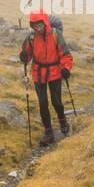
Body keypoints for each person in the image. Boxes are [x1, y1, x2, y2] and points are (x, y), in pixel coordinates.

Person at [19, 10, 73, 145]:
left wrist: (66, 68)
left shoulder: (55, 34)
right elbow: (27, 53)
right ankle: (48, 132)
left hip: (55, 71)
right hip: (38, 73)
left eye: (40, 25)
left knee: (56, 101)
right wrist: (24, 56)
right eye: (35, 25)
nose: (38, 28)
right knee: (43, 103)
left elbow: (65, 54)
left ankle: (62, 121)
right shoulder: (31, 37)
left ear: (45, 23)